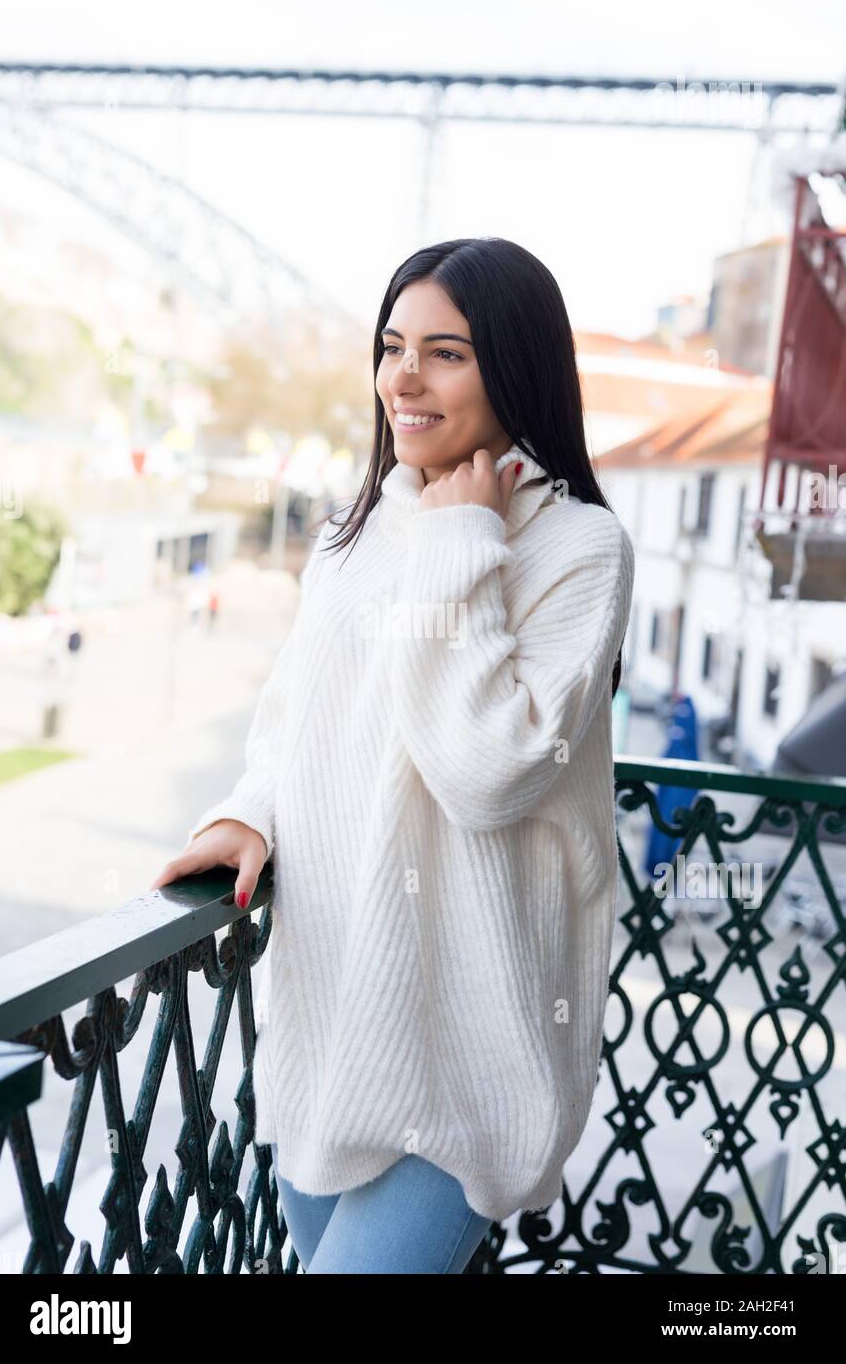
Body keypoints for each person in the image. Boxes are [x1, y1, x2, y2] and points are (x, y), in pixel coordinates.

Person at [151, 237, 635, 1274]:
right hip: (325, 1037)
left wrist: (462, 544)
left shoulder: (580, 550)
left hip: (467, 1066)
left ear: (515, 367)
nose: (401, 379)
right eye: (390, 346)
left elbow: (486, 771)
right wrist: (247, 813)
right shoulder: (351, 530)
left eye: (444, 352)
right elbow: (294, 717)